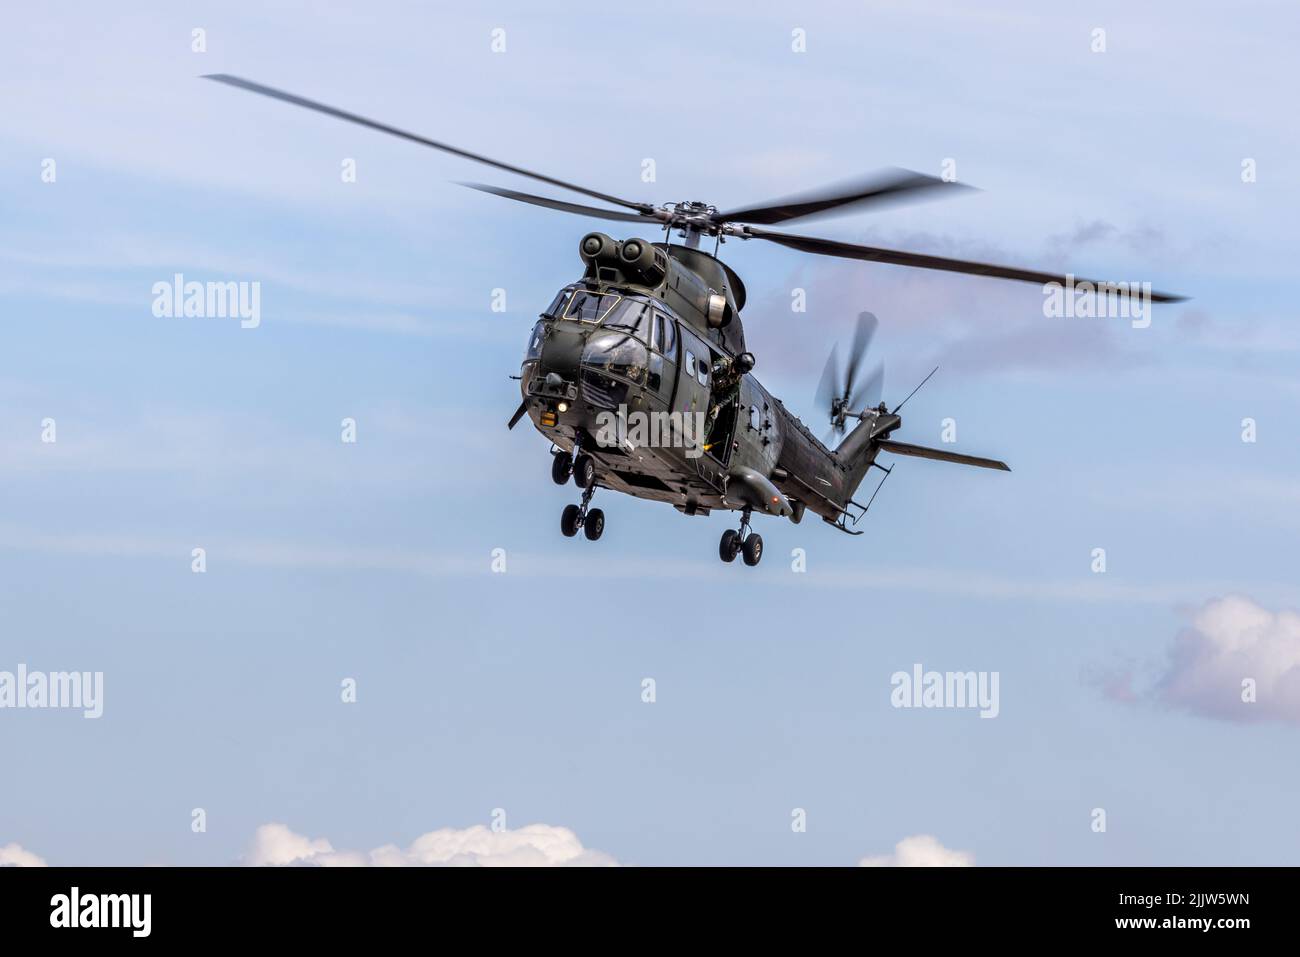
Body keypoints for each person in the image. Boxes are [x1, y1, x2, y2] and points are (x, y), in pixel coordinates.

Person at [704, 351, 755, 447]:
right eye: (736, 369)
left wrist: (718, 406)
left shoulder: (738, 379)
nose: (735, 372)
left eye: (739, 370)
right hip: (705, 386)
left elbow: (730, 395)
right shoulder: (723, 364)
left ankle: (702, 442)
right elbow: (708, 372)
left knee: (712, 417)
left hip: (714, 394)